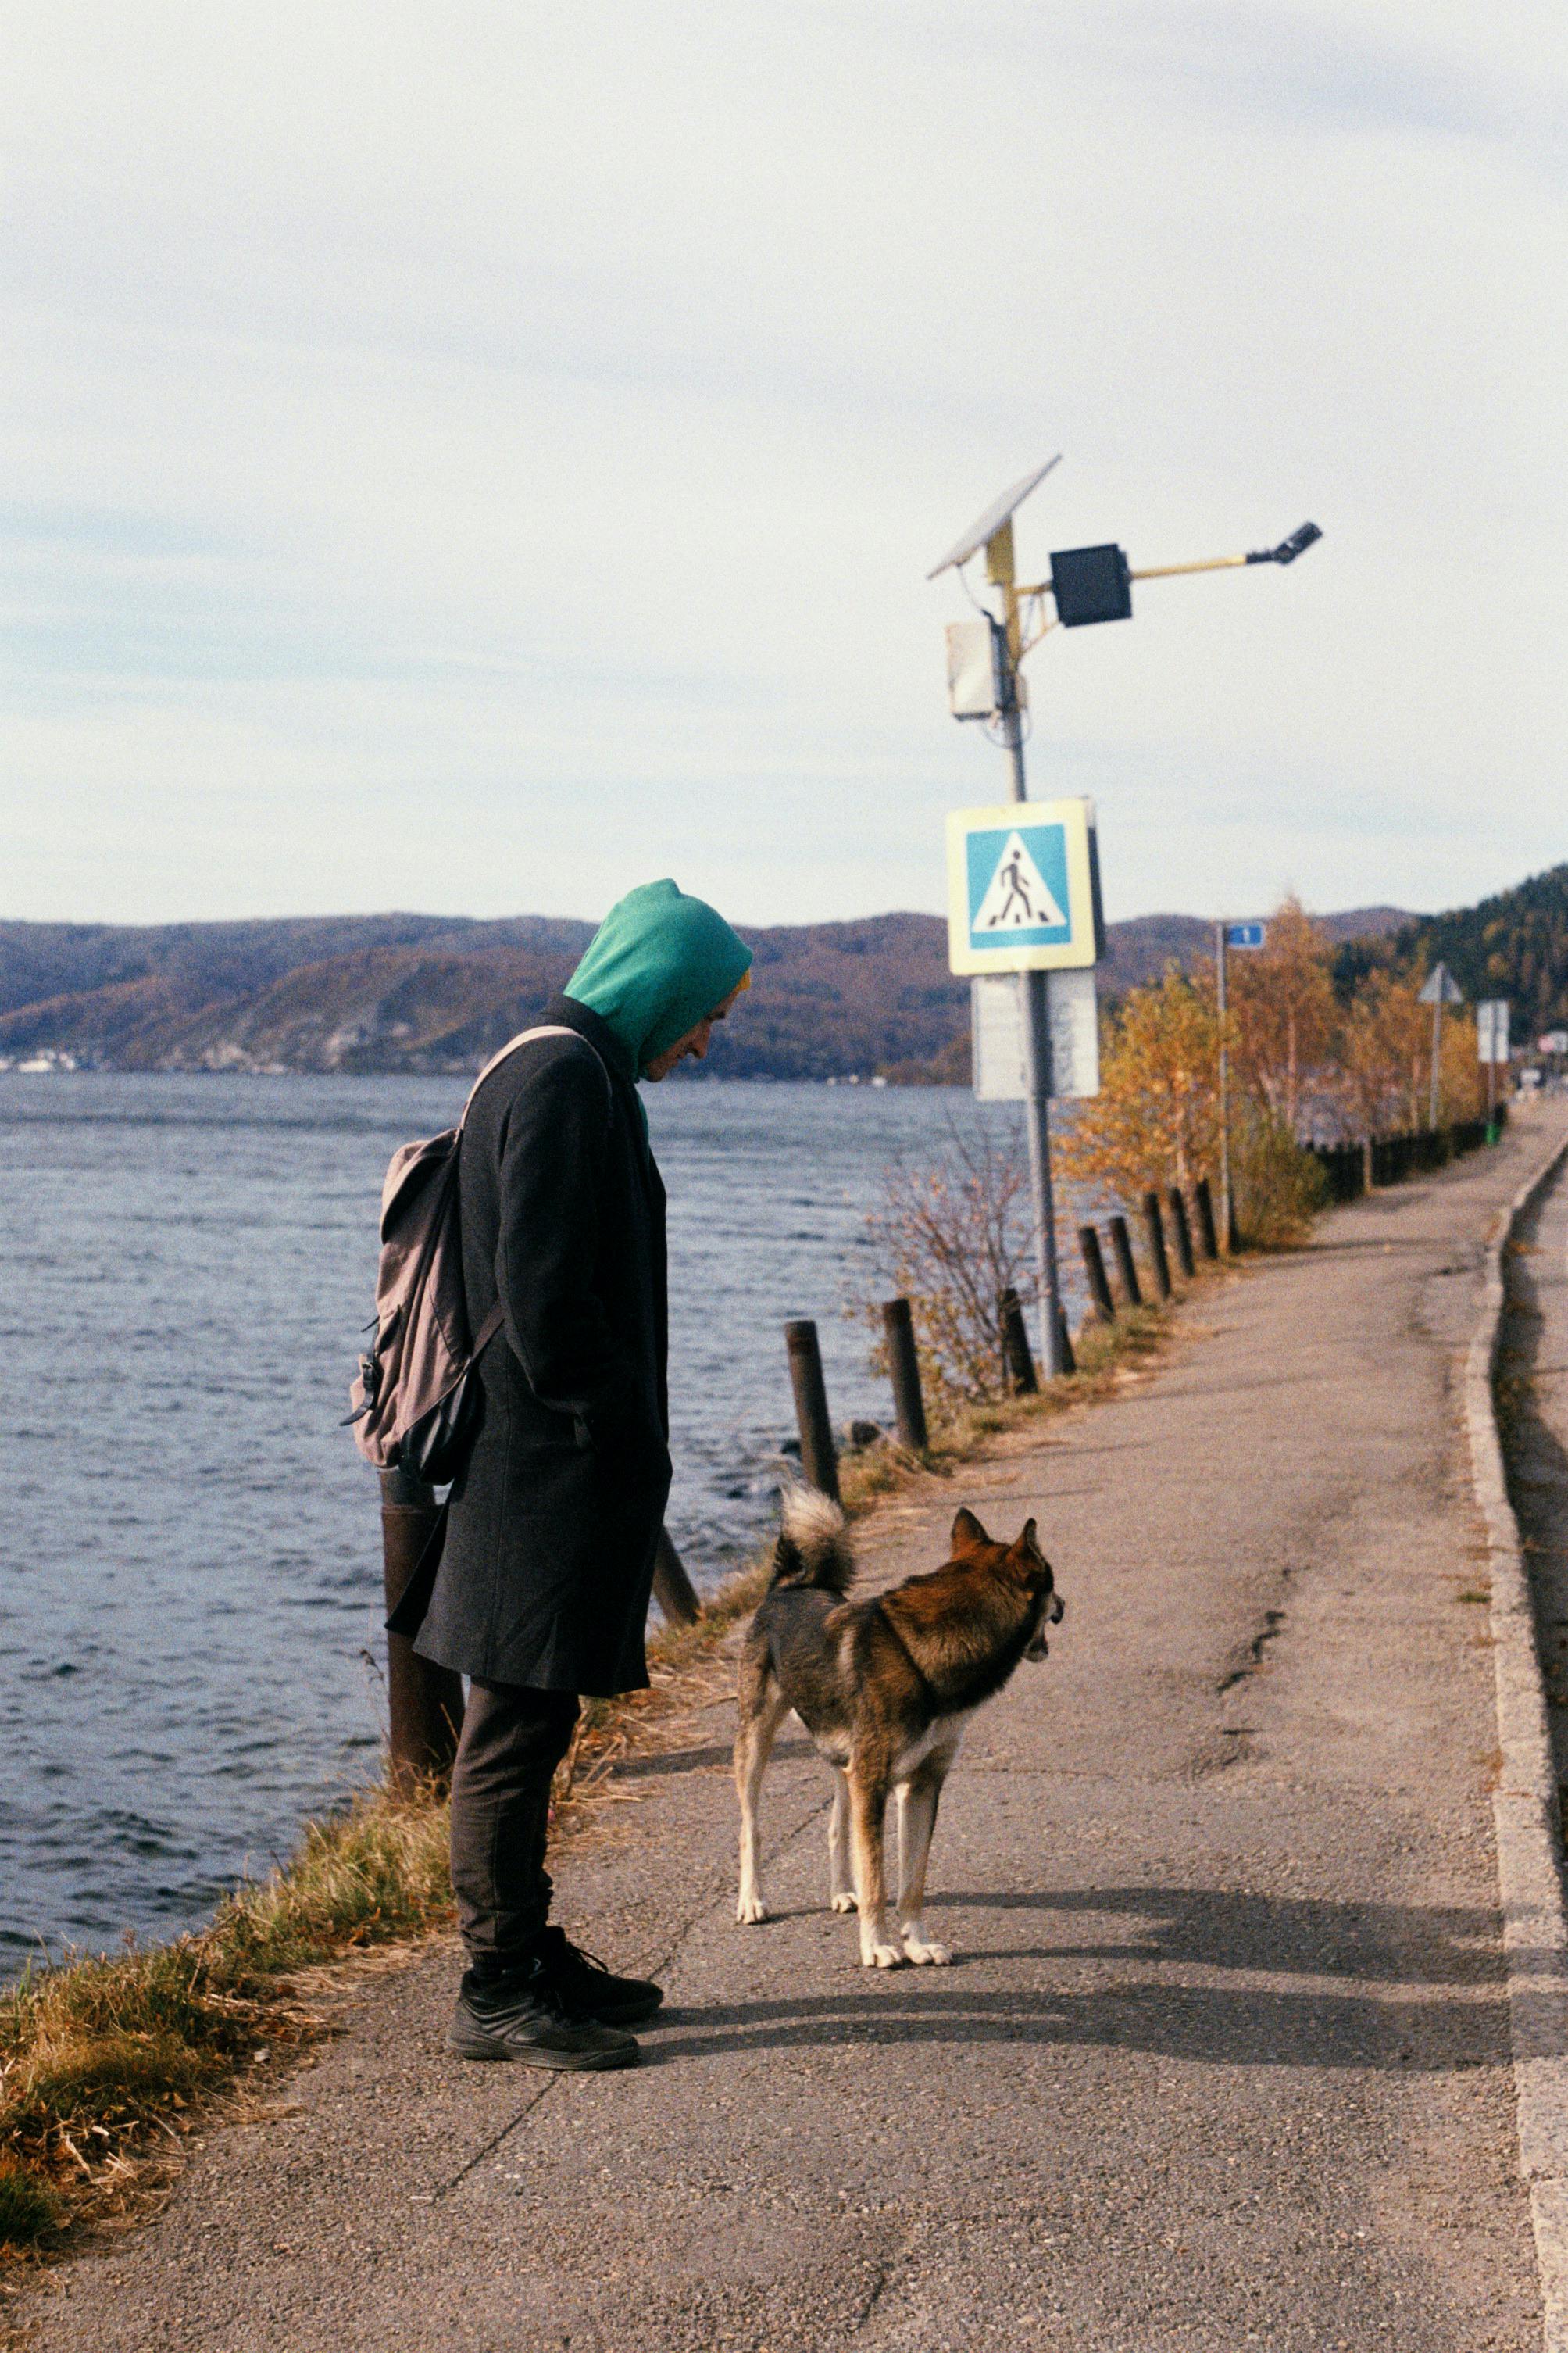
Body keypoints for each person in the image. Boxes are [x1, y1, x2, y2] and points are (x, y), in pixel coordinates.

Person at [415, 878, 752, 2071]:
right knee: (510, 1729)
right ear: (659, 984)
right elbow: (551, 1305)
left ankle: (527, 1948)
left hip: (547, 1467)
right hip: (540, 1473)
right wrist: (618, 1429)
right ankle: (497, 1986)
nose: (708, 1038)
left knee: (534, 1723)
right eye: (705, 1010)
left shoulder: (569, 1068)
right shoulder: (562, 1078)